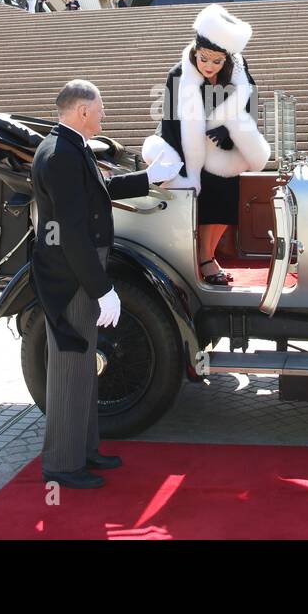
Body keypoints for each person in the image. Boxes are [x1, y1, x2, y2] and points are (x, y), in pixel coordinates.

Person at [31, 79, 178, 489]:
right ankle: (62, 463)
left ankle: (85, 448)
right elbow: (73, 229)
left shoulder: (69, 144)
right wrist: (101, 289)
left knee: (84, 368)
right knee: (71, 369)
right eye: (99, 109)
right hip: (71, 274)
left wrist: (149, 178)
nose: (103, 115)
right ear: (81, 111)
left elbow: (99, 192)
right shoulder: (60, 153)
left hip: (78, 267)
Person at [157, 4, 271, 286]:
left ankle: (206, 255)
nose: (208, 66)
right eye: (203, 58)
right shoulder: (177, 76)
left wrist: (228, 132)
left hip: (223, 153)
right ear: (195, 51)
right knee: (196, 203)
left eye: (216, 61)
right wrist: (176, 162)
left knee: (223, 204)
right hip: (187, 149)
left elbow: (250, 110)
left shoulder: (239, 75)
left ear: (227, 59)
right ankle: (199, 258)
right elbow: (169, 120)